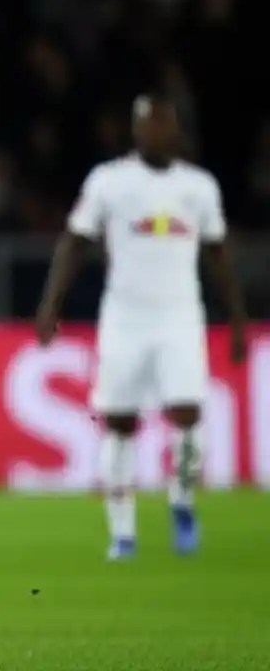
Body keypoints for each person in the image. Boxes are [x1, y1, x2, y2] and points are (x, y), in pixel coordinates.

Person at [35, 93, 247, 560]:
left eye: (164, 124)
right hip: (125, 318)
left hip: (179, 316)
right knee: (119, 421)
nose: (157, 133)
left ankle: (183, 502)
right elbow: (75, 241)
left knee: (187, 412)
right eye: (148, 124)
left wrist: (236, 319)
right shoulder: (109, 182)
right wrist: (51, 304)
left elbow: (217, 254)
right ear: (136, 129)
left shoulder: (199, 187)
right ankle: (123, 532)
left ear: (177, 130)